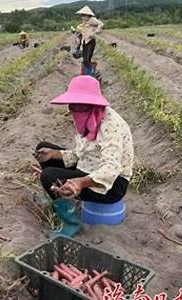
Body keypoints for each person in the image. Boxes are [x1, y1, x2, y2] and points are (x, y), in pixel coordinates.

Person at [33, 76, 134, 237]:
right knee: (44, 150)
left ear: (91, 105)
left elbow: (111, 168)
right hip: (88, 166)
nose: (72, 110)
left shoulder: (110, 125)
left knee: (49, 176)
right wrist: (53, 154)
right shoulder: (90, 120)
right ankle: (61, 199)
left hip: (112, 184)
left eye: (77, 106)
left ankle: (71, 222)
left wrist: (80, 182)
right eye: (71, 106)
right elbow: (81, 154)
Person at [75, 5, 103, 76]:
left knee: (86, 60)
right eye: (81, 15)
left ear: (87, 15)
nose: (82, 17)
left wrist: (96, 31)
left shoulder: (92, 20)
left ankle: (91, 72)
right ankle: (89, 74)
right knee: (86, 60)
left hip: (90, 41)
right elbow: (82, 28)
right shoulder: (85, 21)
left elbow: (101, 24)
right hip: (85, 41)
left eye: (83, 15)